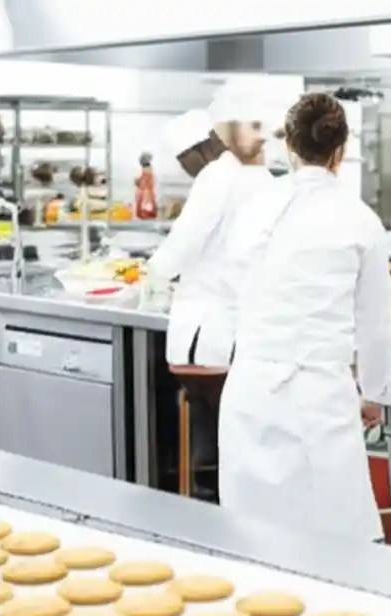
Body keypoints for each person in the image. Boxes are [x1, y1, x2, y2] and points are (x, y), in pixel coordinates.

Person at [218, 92, 391, 542]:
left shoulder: (255, 208)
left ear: (289, 146)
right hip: (318, 399)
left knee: (249, 539)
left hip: (250, 389)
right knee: (331, 549)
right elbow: (374, 323)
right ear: (341, 149)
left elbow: (233, 286)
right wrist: (374, 393)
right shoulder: (359, 219)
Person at [143, 83, 280, 482]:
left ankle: (201, 492)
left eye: (186, 160)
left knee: (210, 432)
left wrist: (152, 274)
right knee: (239, 436)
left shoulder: (216, 177)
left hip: (210, 337)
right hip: (249, 334)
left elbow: (181, 247)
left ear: (198, 151)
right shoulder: (261, 178)